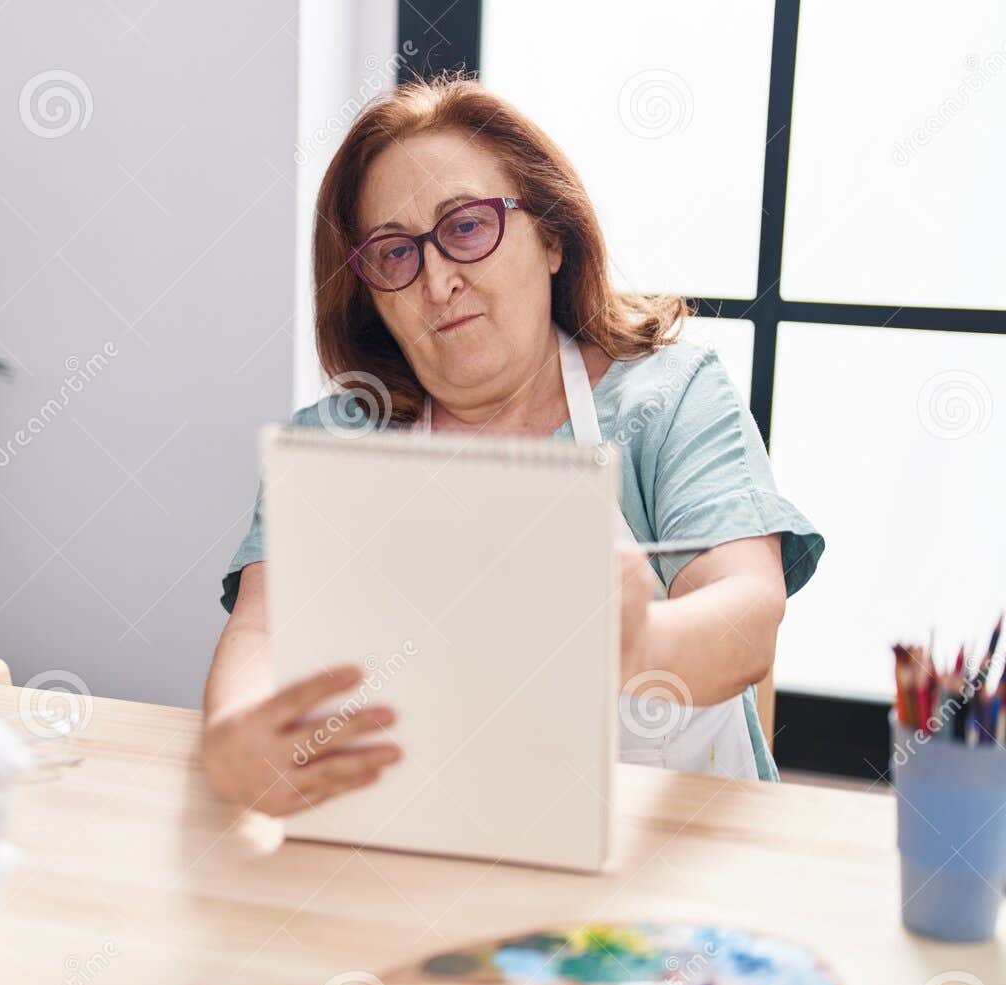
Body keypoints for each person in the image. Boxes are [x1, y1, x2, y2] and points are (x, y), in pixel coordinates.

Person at [202, 77, 824, 815]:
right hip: (435, 843)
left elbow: (747, 610)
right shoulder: (337, 440)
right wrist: (237, 740)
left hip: (671, 866)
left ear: (551, 236)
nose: (437, 280)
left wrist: (635, 644)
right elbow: (264, 625)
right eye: (395, 253)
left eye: (466, 226)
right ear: (370, 290)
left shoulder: (670, 396)